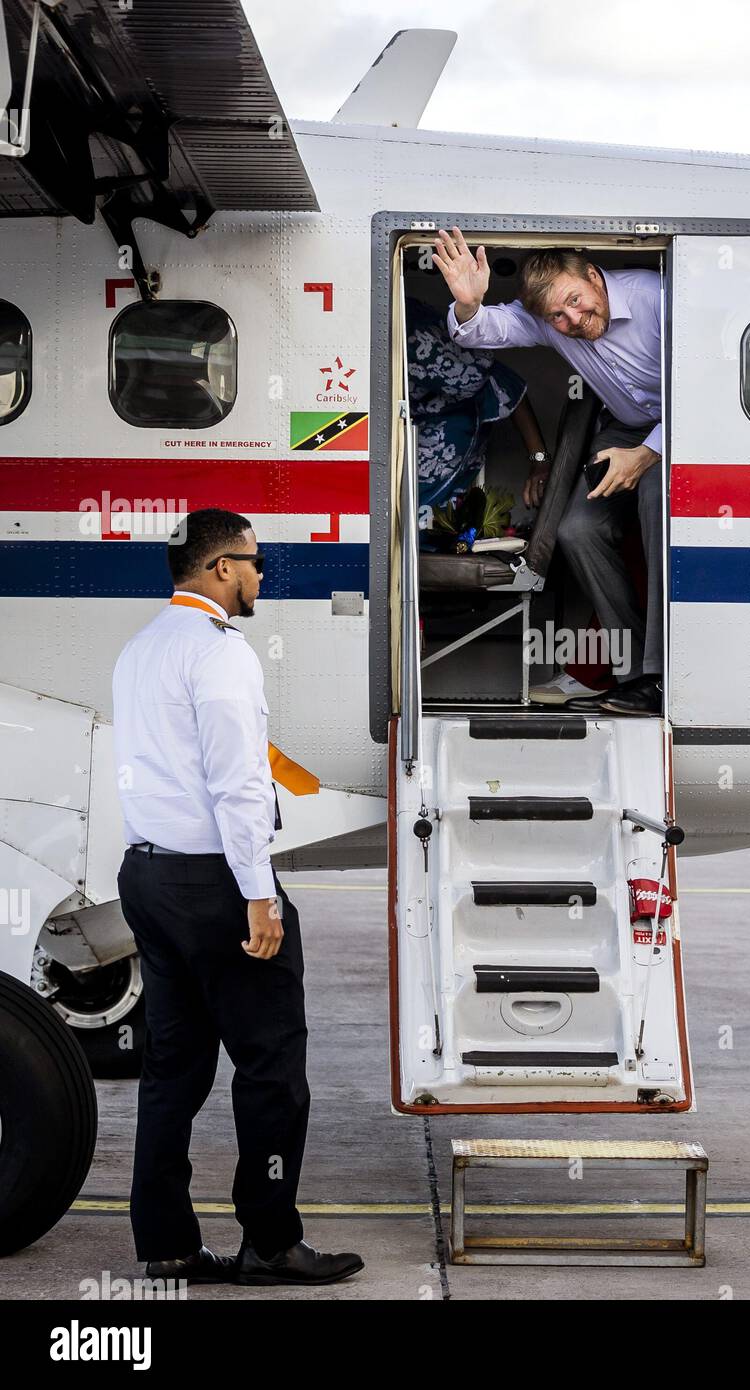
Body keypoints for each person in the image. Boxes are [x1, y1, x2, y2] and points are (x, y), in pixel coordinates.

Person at [113, 508, 363, 1287]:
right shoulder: (219, 654)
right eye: (255, 562)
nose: (261, 576)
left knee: (174, 1070)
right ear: (220, 567)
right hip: (214, 882)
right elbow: (239, 785)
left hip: (148, 877)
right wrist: (261, 897)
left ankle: (167, 1245)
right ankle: (270, 1240)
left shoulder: (141, 648)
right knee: (271, 1066)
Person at [432, 227, 664, 715]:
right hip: (622, 428)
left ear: (595, 277)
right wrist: (470, 303)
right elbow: (479, 331)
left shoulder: (655, 298)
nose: (574, 319)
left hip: (679, 427)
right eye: (558, 316)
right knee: (577, 529)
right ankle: (636, 676)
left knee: (653, 498)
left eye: (576, 302)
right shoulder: (548, 321)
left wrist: (648, 453)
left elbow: (709, 384)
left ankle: (661, 673)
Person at [406, 296, 548, 519]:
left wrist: (540, 460)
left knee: (415, 518)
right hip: (407, 421)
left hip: (451, 419)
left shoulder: (416, 334)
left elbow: (500, 383)